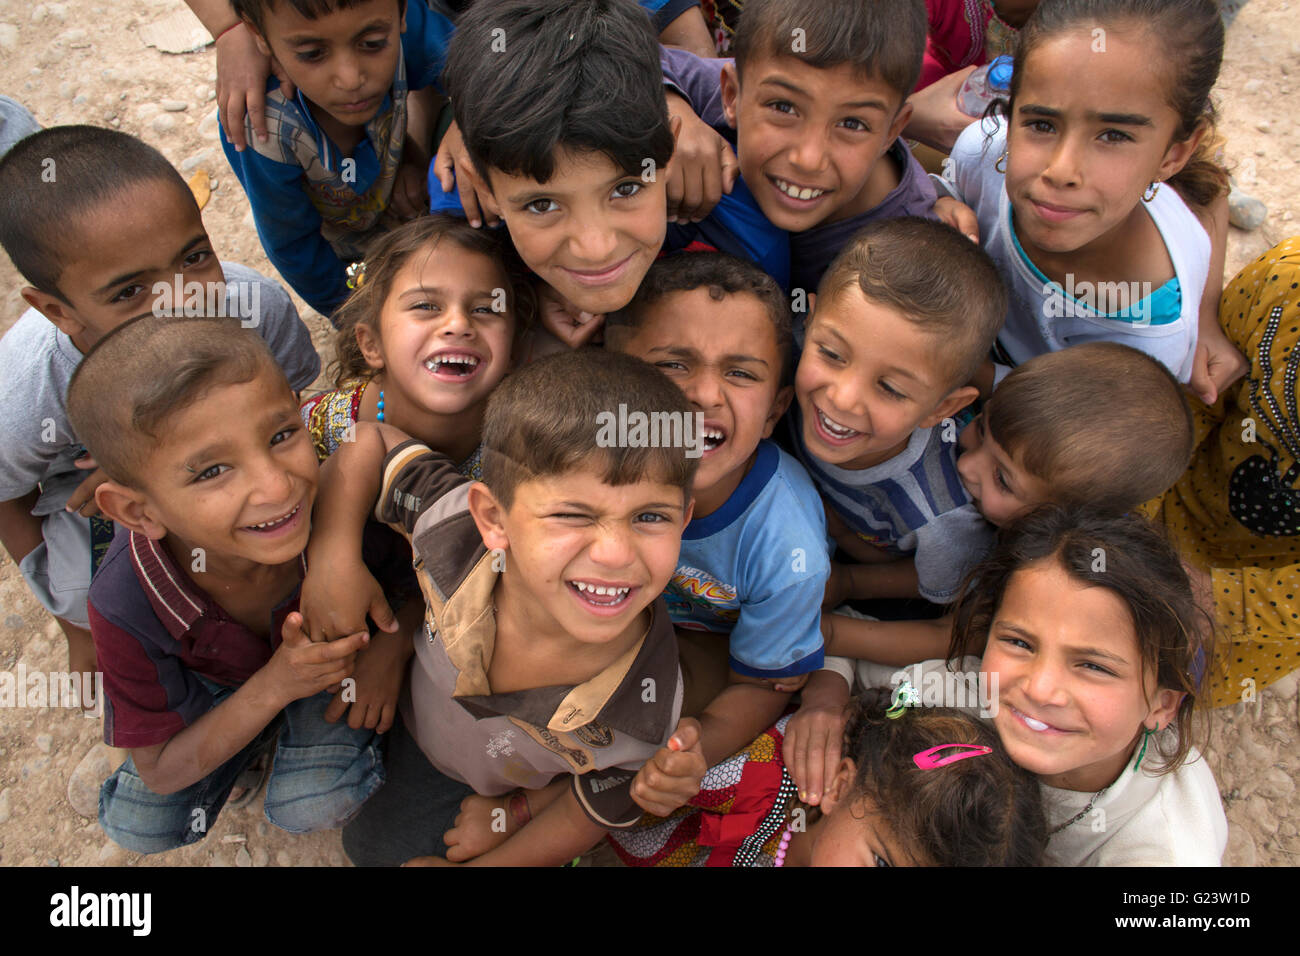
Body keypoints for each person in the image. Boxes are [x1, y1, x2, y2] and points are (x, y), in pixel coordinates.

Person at [302, 350, 707, 866]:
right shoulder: (456, 533)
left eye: (651, 516)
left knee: (374, 852)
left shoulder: (644, 707)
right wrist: (332, 554)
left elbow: (594, 806)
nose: (615, 553)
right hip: (403, 718)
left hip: (486, 784)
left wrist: (511, 820)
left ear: (684, 518)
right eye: (571, 514)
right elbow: (371, 440)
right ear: (493, 517)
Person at [0, 125, 319, 680]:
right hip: (94, 500)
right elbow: (6, 497)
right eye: (129, 292)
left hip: (221, 463)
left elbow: (294, 404)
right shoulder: (25, 394)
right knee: (85, 594)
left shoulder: (257, 309)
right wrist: (72, 624)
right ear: (57, 311)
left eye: (195, 257)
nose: (183, 299)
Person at [67, 316, 379, 854]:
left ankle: (259, 739)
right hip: (232, 689)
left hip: (328, 674)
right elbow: (163, 770)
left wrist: (338, 556)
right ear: (137, 511)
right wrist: (275, 686)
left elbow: (378, 432)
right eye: (212, 471)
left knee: (311, 804)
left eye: (282, 436)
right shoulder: (125, 600)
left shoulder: (335, 498)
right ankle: (251, 737)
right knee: (139, 825)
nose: (277, 486)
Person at [808, 506, 1228, 865]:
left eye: (1094, 666)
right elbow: (857, 655)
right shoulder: (964, 696)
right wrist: (825, 700)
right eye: (1019, 643)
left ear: (1161, 706)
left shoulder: (1165, 846)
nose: (1041, 689)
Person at [936, 0, 1245, 406]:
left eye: (1113, 136)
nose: (1062, 170)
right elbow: (950, 191)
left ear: (1175, 154)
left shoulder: (1147, 332)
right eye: (1041, 124)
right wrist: (937, 205)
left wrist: (958, 370)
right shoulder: (983, 151)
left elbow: (1078, 414)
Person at [607, 252, 830, 766]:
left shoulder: (788, 548)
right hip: (620, 625)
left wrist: (694, 753)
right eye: (673, 364)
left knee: (652, 740)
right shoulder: (583, 461)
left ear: (775, 411)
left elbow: (759, 685)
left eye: (740, 373)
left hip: (709, 652)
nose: (704, 394)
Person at [658, 0, 954, 292]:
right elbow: (631, 59)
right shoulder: (759, 75)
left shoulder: (904, 253)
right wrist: (671, 111)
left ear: (892, 132)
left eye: (852, 124)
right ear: (732, 96)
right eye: (783, 107)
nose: (809, 159)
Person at [791, 217, 1005, 606]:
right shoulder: (783, 356)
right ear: (809, 319)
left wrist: (849, 582)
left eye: (890, 388)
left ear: (942, 408)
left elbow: (946, 585)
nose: (842, 398)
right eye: (832, 354)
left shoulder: (940, 514)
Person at [608, 687, 1047, 866]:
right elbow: (609, 796)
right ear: (838, 787)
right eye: (879, 862)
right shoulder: (750, 775)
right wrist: (664, 778)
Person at [1142, 237, 1300, 706]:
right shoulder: (1285, 288)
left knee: (1159, 693)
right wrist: (1129, 511)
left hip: (1262, 604)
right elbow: (1195, 399)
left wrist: (1208, 599)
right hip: (1175, 492)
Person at [219, 0, 451, 318]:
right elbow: (294, 245)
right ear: (259, 36)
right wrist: (354, 313)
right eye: (312, 54)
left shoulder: (395, 25)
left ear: (403, 15)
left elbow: (477, 67)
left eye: (371, 45)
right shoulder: (262, 125)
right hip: (342, 256)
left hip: (401, 207)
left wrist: (463, 127)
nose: (350, 78)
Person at [300, 214, 530, 471]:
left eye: (485, 310)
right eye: (425, 305)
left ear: (513, 351)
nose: (458, 324)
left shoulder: (527, 463)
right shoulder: (314, 435)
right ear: (372, 345)